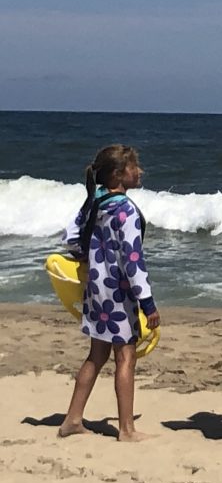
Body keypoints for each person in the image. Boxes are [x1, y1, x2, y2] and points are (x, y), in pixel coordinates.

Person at [58, 145, 160, 442]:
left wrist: (90, 260)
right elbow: (132, 260)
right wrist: (148, 303)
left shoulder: (95, 202)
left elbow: (71, 238)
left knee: (96, 355)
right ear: (118, 174)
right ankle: (126, 429)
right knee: (126, 357)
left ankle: (72, 419)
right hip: (119, 292)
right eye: (134, 167)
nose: (139, 172)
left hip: (96, 289)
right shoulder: (125, 209)